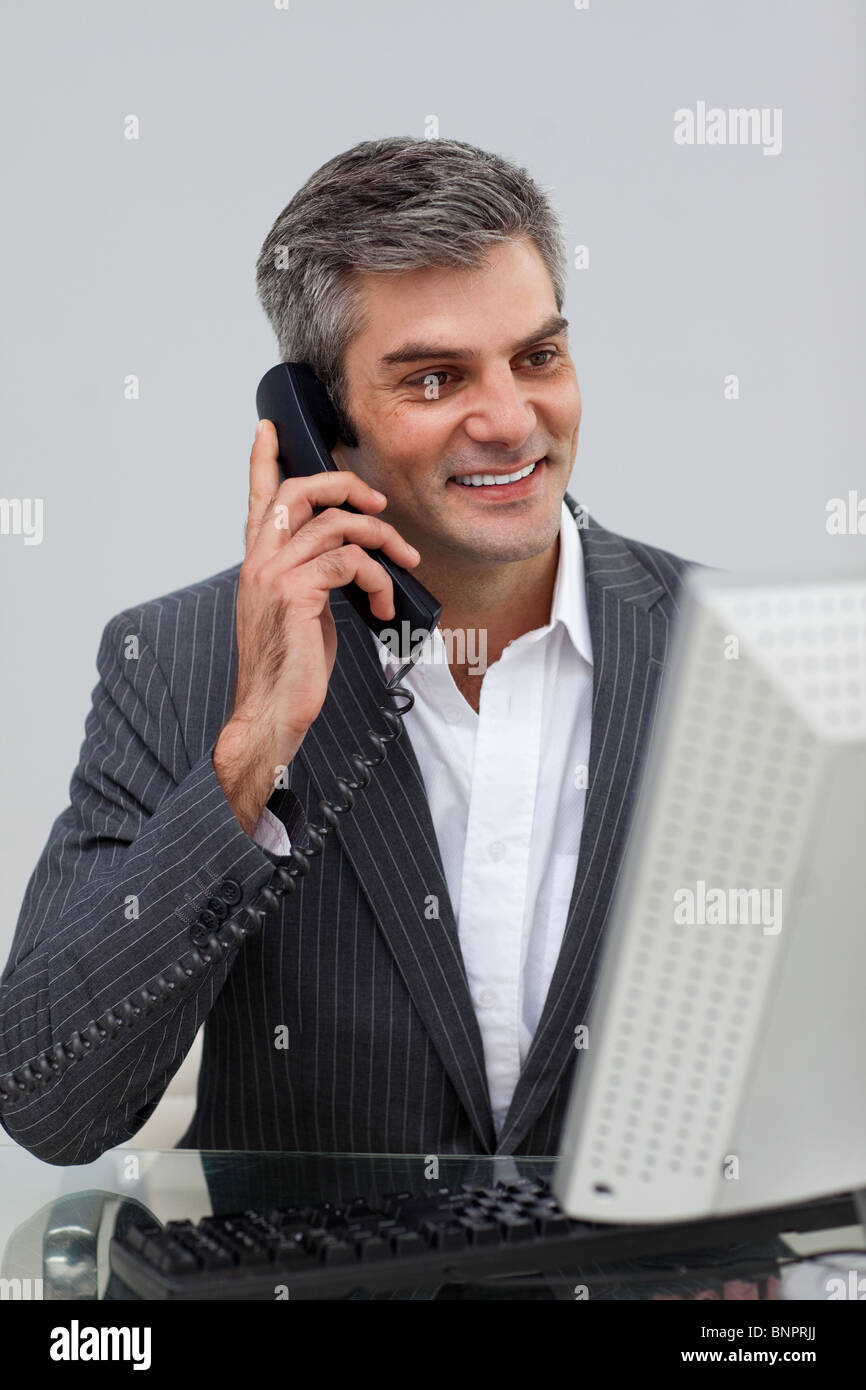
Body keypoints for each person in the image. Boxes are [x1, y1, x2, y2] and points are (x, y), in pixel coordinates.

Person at [0, 136, 692, 1165]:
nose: (509, 420)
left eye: (537, 357)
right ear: (320, 425)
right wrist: (249, 756)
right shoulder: (176, 663)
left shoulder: (725, 650)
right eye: (432, 380)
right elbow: (48, 1102)